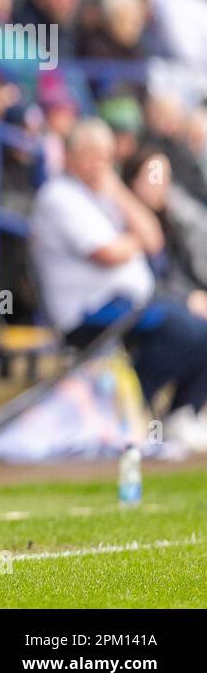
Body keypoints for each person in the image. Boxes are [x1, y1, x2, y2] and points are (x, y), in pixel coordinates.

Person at [30, 120, 207, 452]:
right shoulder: (58, 196)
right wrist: (133, 240)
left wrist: (117, 190)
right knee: (183, 330)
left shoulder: (105, 195)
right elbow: (107, 253)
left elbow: (152, 238)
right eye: (91, 155)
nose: (100, 164)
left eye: (106, 156)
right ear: (70, 156)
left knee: (196, 326)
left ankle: (180, 415)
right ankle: (129, 412)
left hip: (132, 306)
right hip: (89, 313)